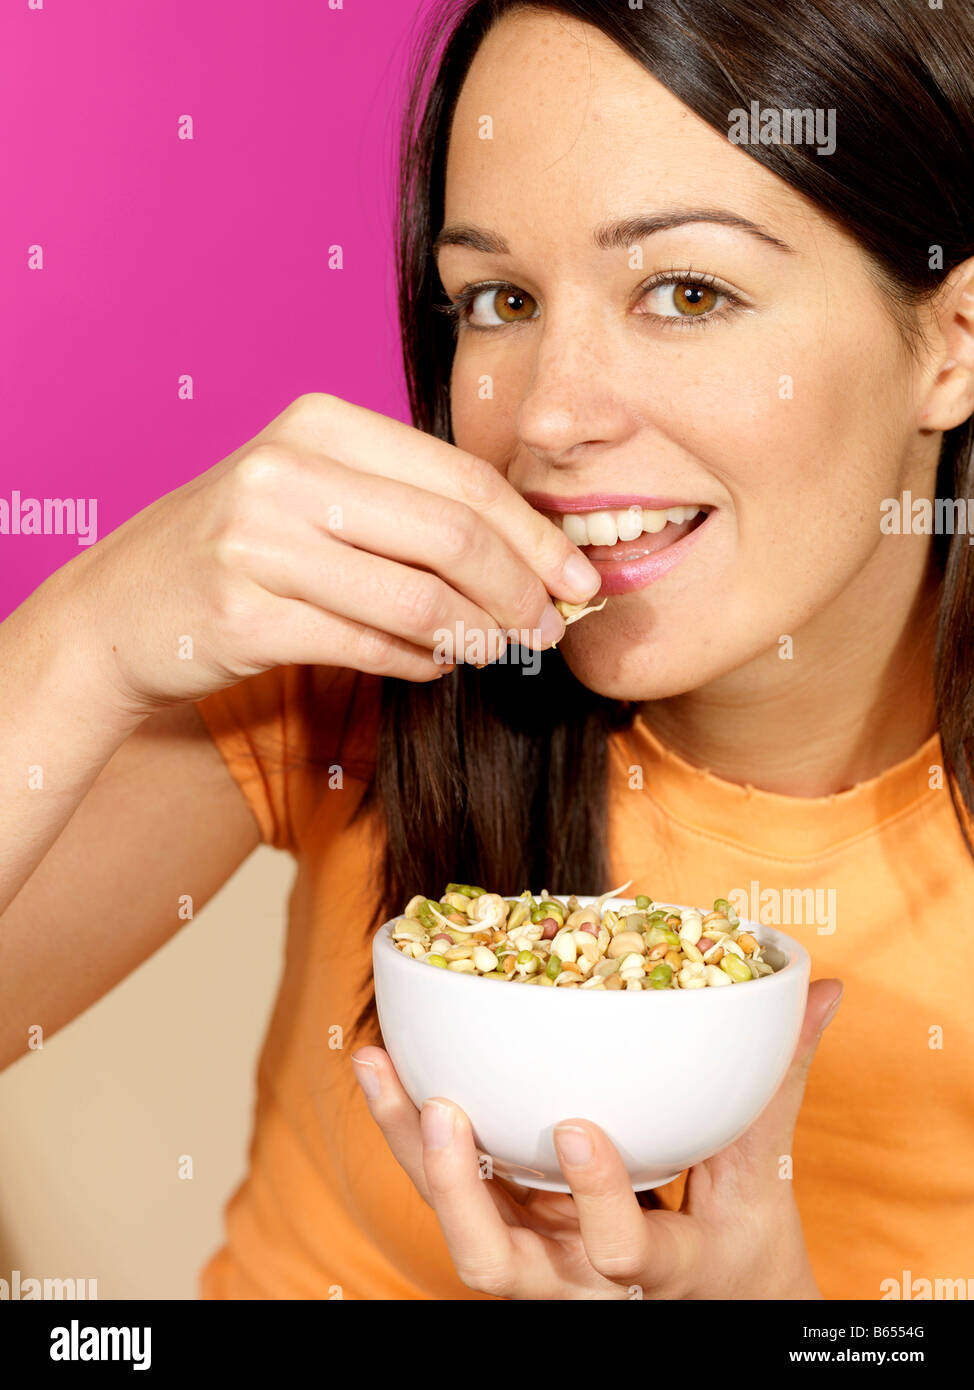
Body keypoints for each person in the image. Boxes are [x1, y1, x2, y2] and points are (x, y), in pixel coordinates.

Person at [2, 0, 972, 1299]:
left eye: (685, 291)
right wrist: (92, 632)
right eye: (497, 298)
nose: (549, 415)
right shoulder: (365, 656)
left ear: (952, 345)